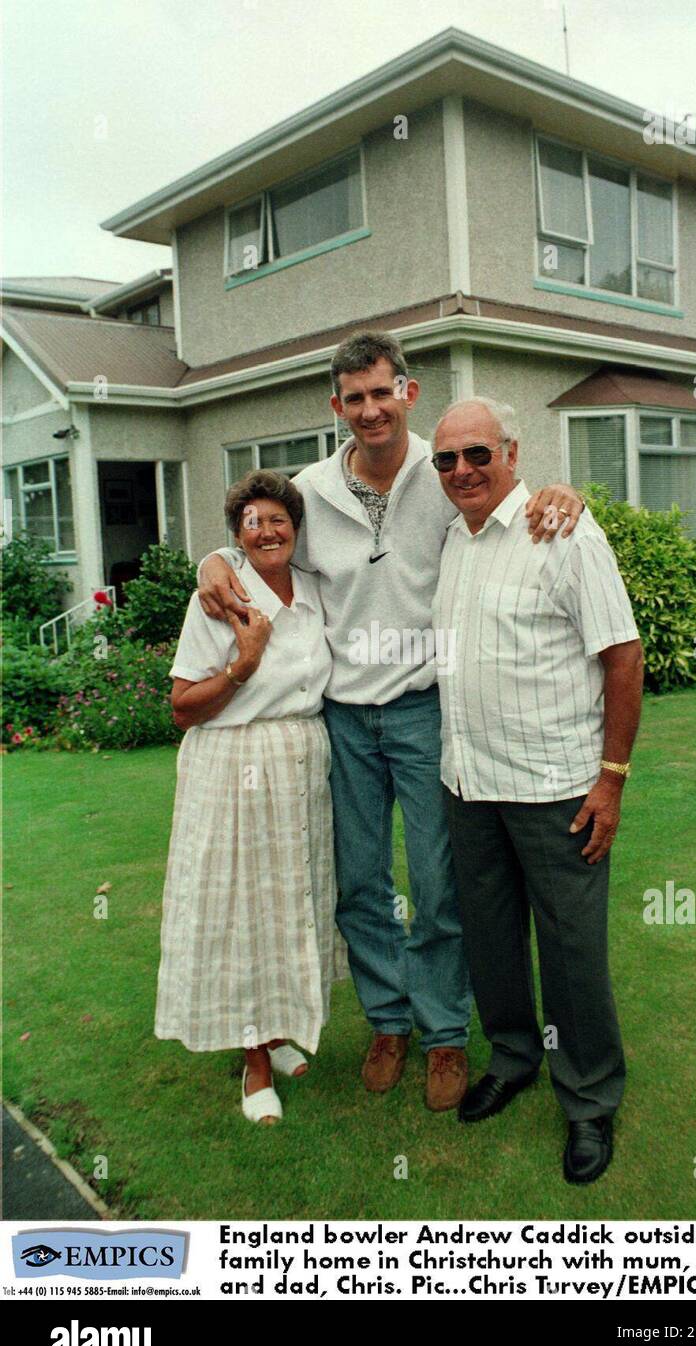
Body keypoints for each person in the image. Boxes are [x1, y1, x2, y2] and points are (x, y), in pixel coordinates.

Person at [197, 331, 584, 1112]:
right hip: (342, 717)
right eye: (354, 397)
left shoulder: (443, 471)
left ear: (406, 393)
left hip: (424, 709)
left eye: (383, 392)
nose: (370, 409)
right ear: (334, 406)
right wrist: (211, 558)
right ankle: (388, 1021)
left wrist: (561, 494)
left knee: (440, 887)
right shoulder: (308, 490)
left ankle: (445, 1034)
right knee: (359, 884)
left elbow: (506, 498)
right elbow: (258, 542)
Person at [432, 397, 643, 1184]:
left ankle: (588, 1100)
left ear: (512, 454)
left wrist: (610, 779)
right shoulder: (452, 538)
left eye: (477, 454)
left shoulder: (563, 532)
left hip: (557, 788)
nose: (461, 471)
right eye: (447, 459)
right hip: (469, 782)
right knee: (489, 940)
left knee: (571, 952)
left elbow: (621, 656)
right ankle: (515, 1057)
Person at [155, 470, 347, 1125]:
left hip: (300, 764)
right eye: (251, 523)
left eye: (278, 520)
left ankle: (276, 1030)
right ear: (235, 535)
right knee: (241, 911)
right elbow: (182, 708)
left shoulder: (315, 589)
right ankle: (253, 1060)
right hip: (234, 765)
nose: (267, 531)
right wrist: (242, 660)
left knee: (288, 906)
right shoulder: (219, 596)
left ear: (295, 528)